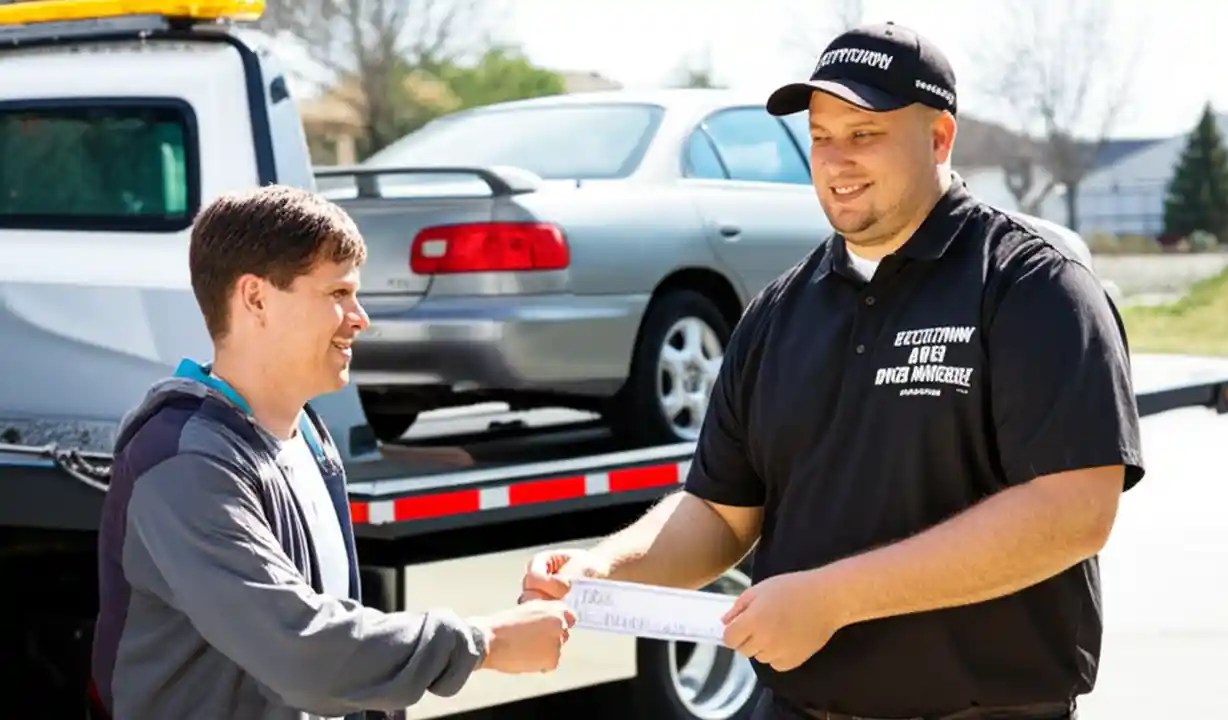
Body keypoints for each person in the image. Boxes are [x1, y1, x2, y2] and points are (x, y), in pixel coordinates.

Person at [520, 22, 1143, 720]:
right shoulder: (778, 313)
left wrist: (832, 598)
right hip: (797, 705)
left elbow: (1073, 512)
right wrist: (601, 571)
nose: (837, 159)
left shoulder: (1031, 284)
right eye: (821, 136)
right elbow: (720, 516)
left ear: (939, 138)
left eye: (864, 133)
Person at [91, 185, 576, 720]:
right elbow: (302, 650)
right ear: (255, 298)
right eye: (337, 294)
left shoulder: (308, 435)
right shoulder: (183, 461)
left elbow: (338, 634)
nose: (360, 317)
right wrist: (486, 642)